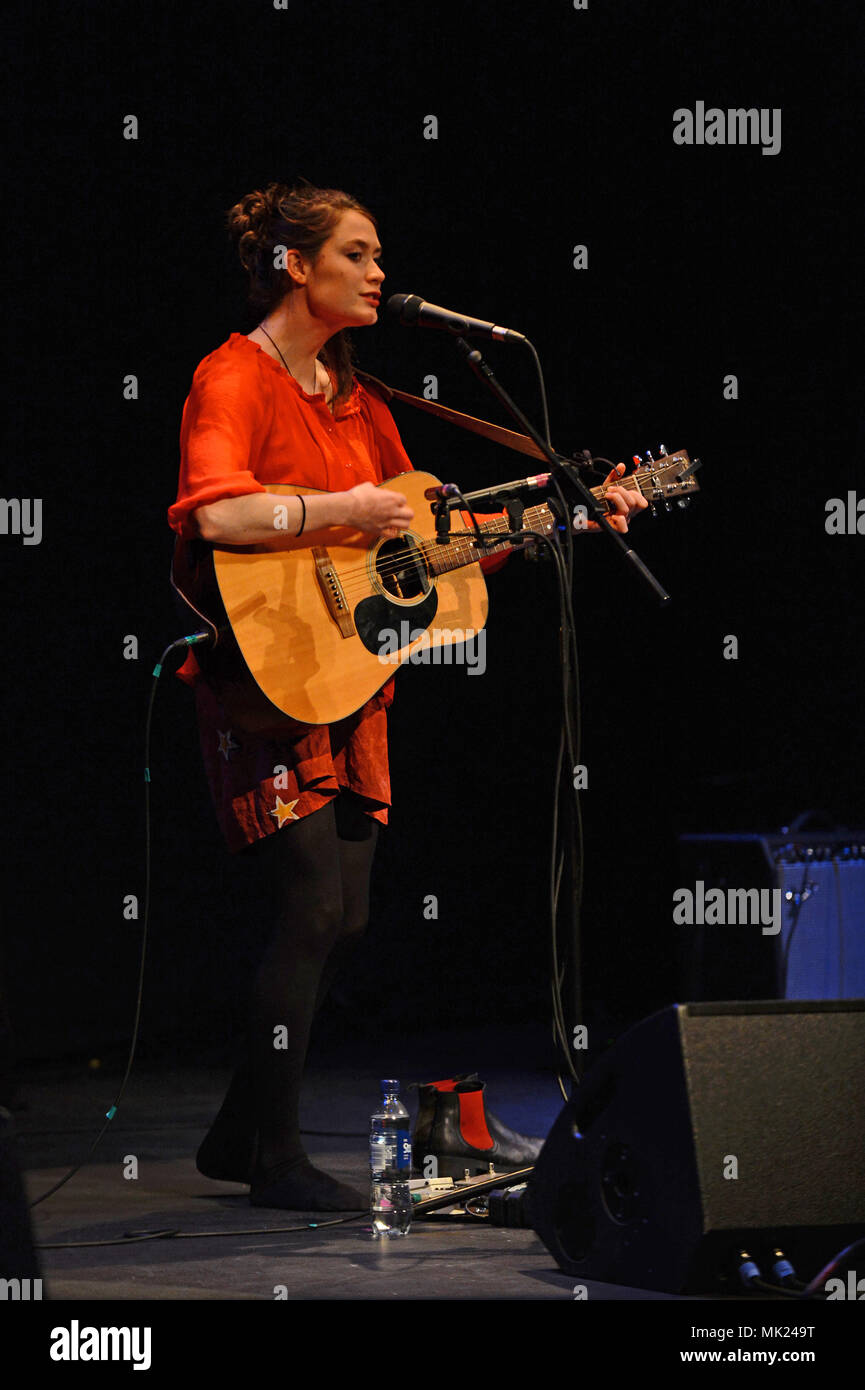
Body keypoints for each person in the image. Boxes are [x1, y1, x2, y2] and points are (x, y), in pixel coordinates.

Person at [168, 182, 646, 1211]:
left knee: (349, 917)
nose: (379, 271)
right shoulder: (233, 376)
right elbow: (213, 516)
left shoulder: (363, 397)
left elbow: (427, 553)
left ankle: (233, 1130)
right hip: (268, 675)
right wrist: (339, 506)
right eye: (356, 253)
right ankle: (278, 1158)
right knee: (312, 908)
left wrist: (564, 514)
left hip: (350, 677)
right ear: (296, 265)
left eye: (378, 254)